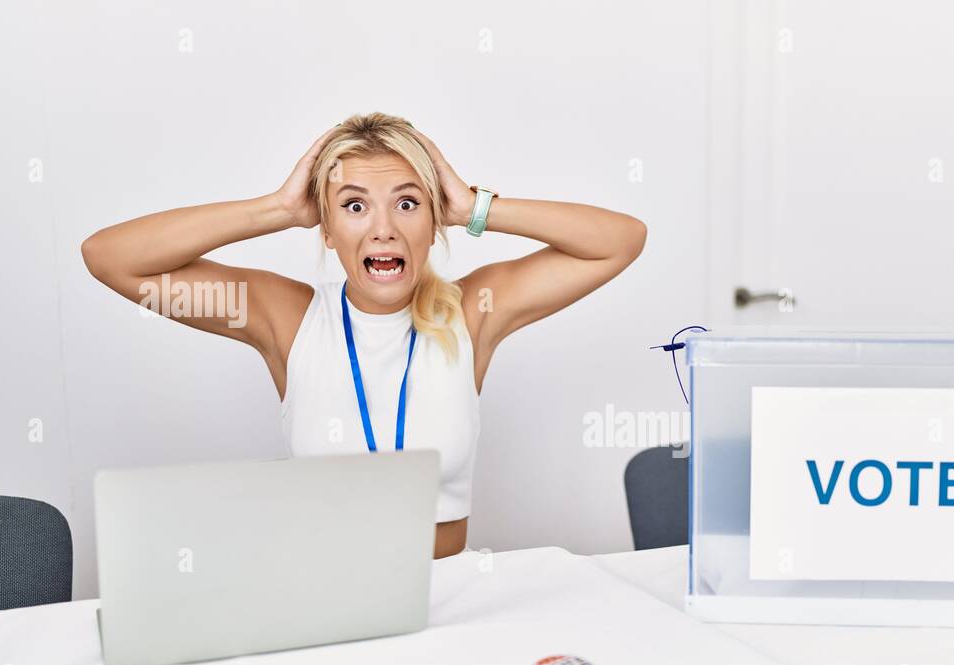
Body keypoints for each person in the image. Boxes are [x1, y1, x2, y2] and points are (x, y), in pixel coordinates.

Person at [81, 112, 647, 558]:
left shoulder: (472, 311)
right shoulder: (288, 318)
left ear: (434, 222)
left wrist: (476, 206)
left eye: (407, 203)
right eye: (354, 206)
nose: (383, 228)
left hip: (450, 609)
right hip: (325, 612)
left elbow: (620, 240)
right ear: (327, 229)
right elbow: (111, 259)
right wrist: (276, 209)